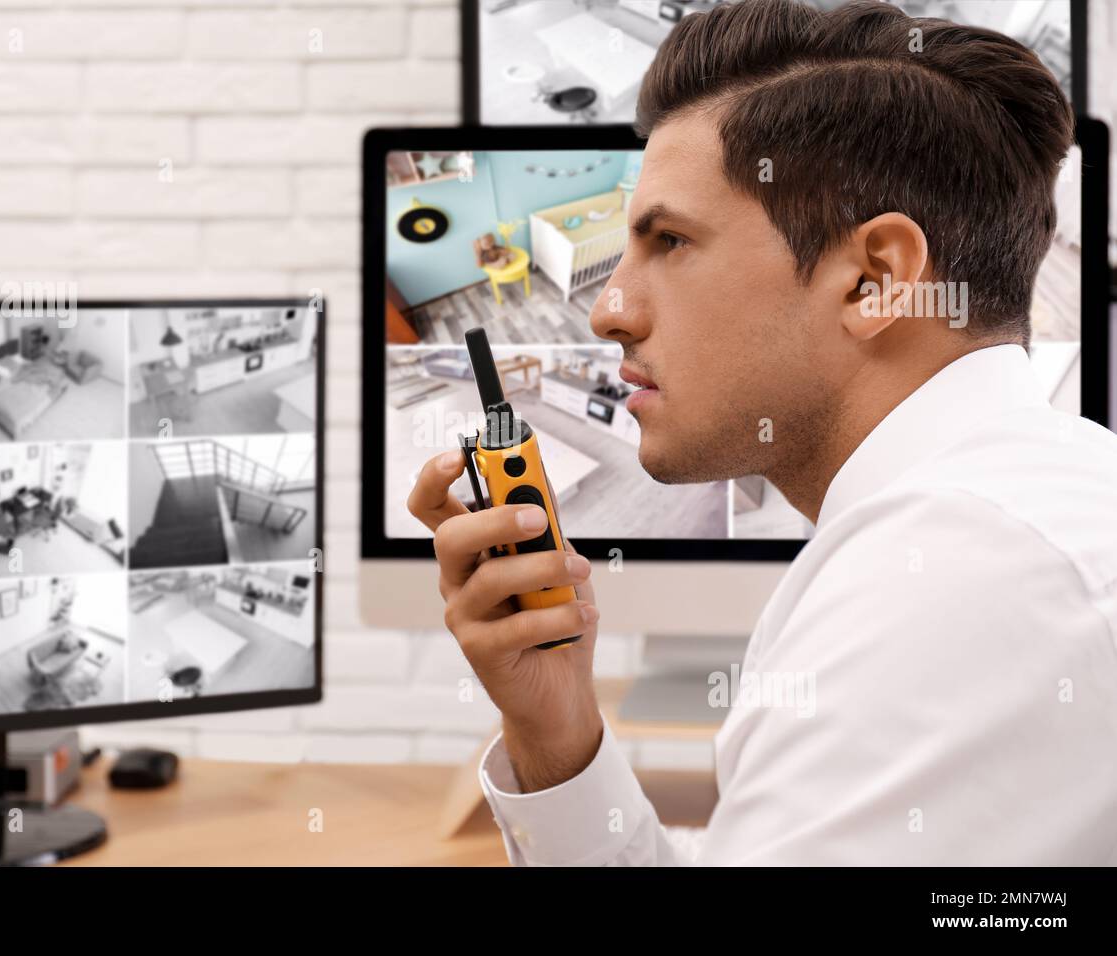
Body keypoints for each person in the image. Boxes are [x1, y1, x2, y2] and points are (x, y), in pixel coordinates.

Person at [406, 0, 1117, 865]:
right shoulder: (1025, 502)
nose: (605, 311)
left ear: (872, 281)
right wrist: (555, 731)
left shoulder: (951, 575)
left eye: (669, 239)